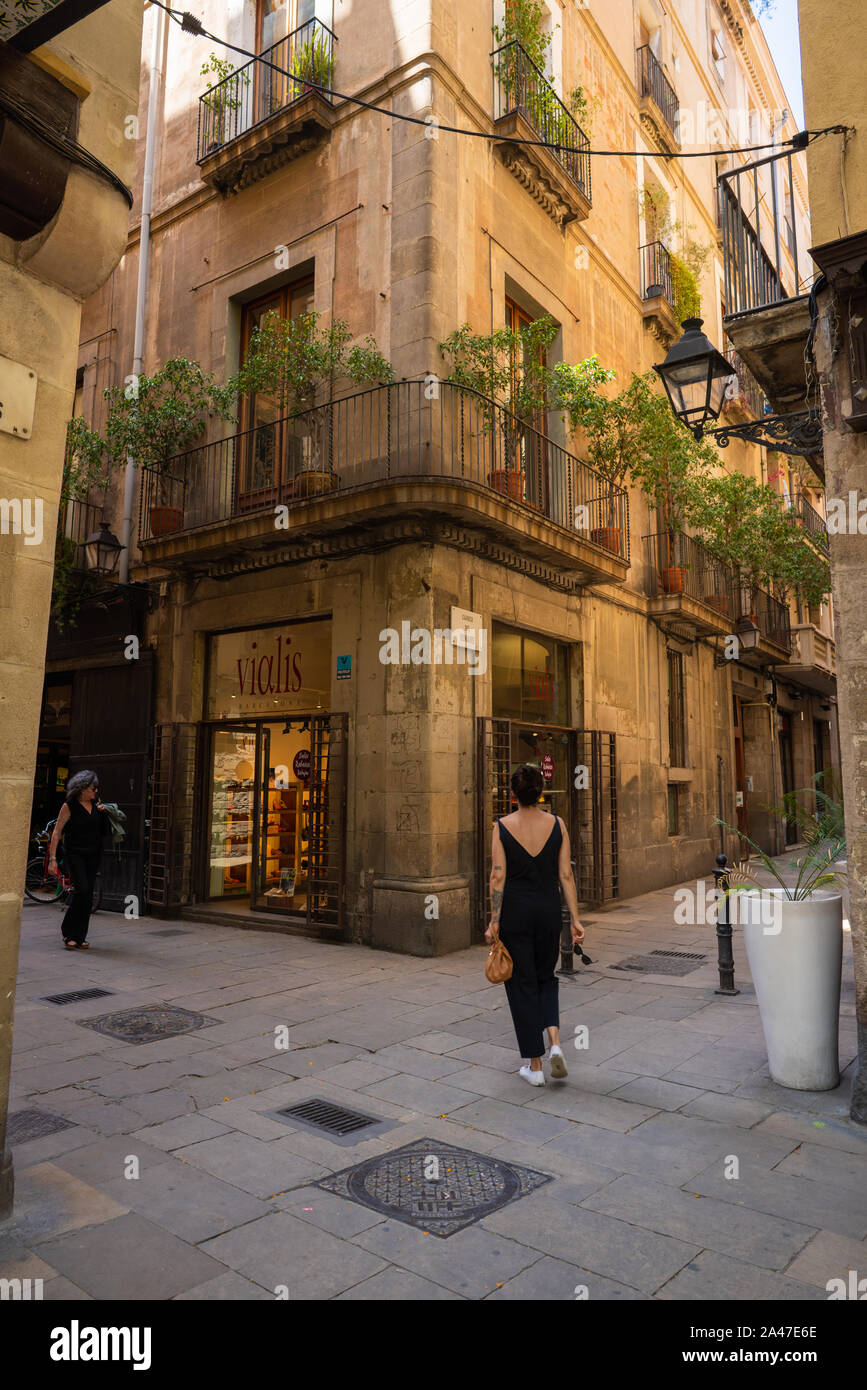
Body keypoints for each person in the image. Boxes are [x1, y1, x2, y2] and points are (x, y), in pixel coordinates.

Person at [486, 764, 585, 1086]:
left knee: (521, 984)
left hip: (515, 912)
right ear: (540, 791)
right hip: (547, 911)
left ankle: (535, 1065)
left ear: (513, 794)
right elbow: (566, 875)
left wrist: (494, 921)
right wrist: (576, 919)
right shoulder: (557, 824)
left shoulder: (502, 826)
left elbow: (497, 876)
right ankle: (555, 1042)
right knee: (546, 977)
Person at [48, 771, 107, 951]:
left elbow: (103, 832)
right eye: (92, 789)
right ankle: (68, 931)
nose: (95, 792)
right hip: (75, 855)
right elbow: (57, 832)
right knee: (82, 890)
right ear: (81, 789)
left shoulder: (96, 805)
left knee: (88, 895)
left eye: (95, 789)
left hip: (93, 854)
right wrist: (52, 859)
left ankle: (80, 936)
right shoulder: (69, 806)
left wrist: (104, 813)